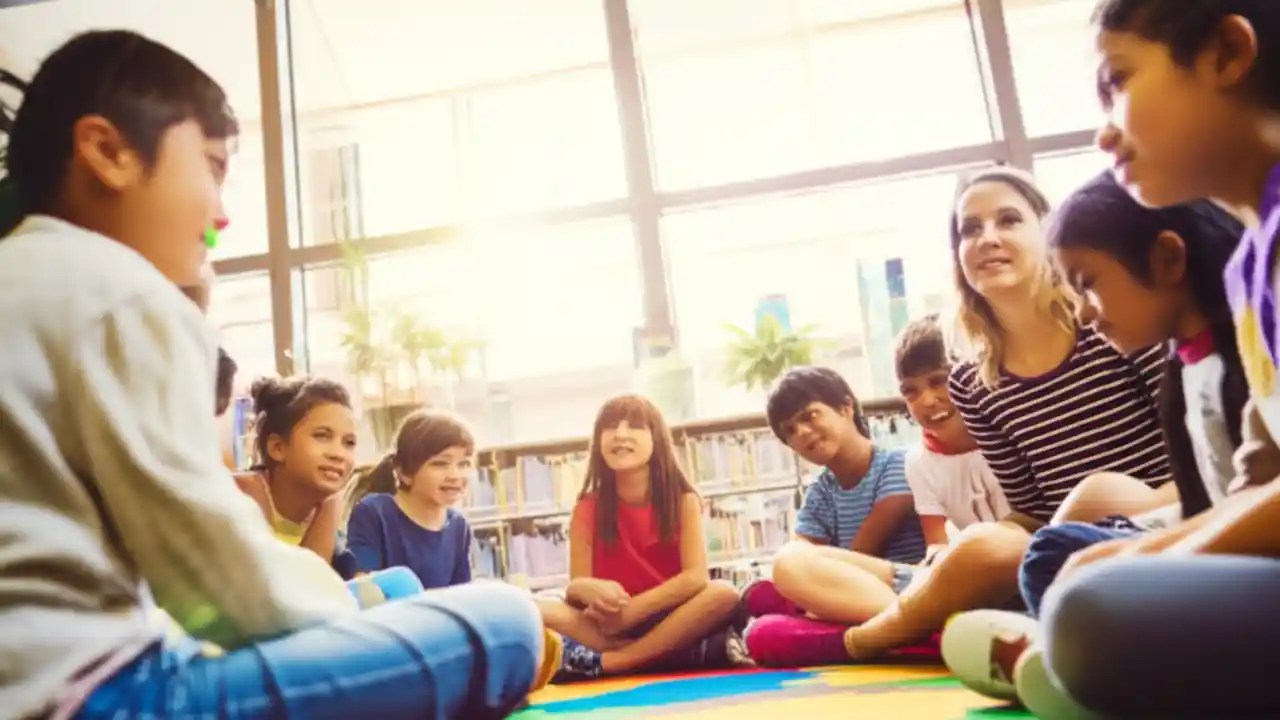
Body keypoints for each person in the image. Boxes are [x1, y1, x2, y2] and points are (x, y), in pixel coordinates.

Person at [0, 30, 541, 718]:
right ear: (107, 151)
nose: (221, 216)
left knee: (398, 598)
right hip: (106, 696)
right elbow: (219, 582)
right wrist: (354, 613)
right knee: (504, 622)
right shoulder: (120, 291)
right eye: (213, 167)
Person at [818, 168, 1175, 665]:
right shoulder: (971, 382)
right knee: (989, 544)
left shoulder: (1113, 325)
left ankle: (876, 635)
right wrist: (962, 556)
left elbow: (1201, 464)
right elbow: (1029, 510)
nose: (987, 239)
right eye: (970, 229)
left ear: (1047, 232)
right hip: (1056, 548)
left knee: (1097, 494)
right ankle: (932, 620)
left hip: (1163, 521)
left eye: (1008, 220)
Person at [941, 172, 1255, 718]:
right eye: (970, 228)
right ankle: (1067, 654)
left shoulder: (1155, 342)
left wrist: (1132, 554)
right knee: (1050, 558)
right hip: (1180, 535)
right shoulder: (1181, 371)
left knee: (1084, 569)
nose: (1085, 307)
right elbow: (1032, 511)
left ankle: (1067, 661)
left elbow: (1224, 502)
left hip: (1178, 526)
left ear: (1167, 261)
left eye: (1087, 283)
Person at [538, 394, 743, 680]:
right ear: (598, 442)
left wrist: (631, 613)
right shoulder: (586, 507)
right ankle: (667, 654)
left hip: (670, 617)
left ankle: (620, 661)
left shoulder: (684, 501)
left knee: (724, 594)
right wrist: (590, 589)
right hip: (606, 625)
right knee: (534, 607)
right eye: (610, 427)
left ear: (656, 439)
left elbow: (696, 578)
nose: (620, 434)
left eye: (635, 426)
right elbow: (575, 587)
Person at [897, 315, 1011, 544]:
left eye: (938, 381)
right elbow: (937, 544)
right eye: (911, 391)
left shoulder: (1010, 435)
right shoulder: (918, 462)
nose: (927, 400)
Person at [345, 409, 476, 589]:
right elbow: (364, 590)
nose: (455, 475)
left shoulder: (459, 526)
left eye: (464, 464)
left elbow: (461, 597)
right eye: (440, 464)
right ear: (405, 472)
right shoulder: (373, 513)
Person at [233, 376, 356, 565]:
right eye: (322, 436)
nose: (338, 454)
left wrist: (330, 508)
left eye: (349, 443)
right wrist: (331, 509)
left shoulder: (326, 508)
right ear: (278, 448)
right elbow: (282, 587)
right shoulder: (244, 493)